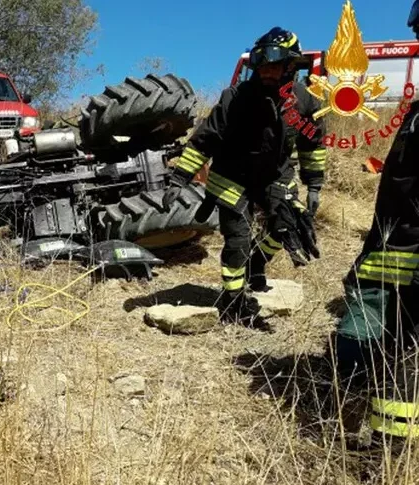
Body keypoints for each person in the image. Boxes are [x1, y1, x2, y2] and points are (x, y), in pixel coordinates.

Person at [162, 27, 325, 325]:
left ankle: (256, 263)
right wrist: (180, 177)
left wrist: (314, 185)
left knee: (285, 227)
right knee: (237, 240)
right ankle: (233, 300)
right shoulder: (235, 97)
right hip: (231, 177)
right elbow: (205, 139)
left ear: (290, 65)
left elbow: (312, 145)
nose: (266, 72)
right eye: (261, 66)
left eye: (274, 66)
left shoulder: (305, 102)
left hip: (275, 176)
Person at [332, 2, 419, 453]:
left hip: (408, 255)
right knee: (390, 345)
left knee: (403, 351)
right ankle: (384, 442)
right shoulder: (417, 111)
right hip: (393, 246)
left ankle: (392, 452)